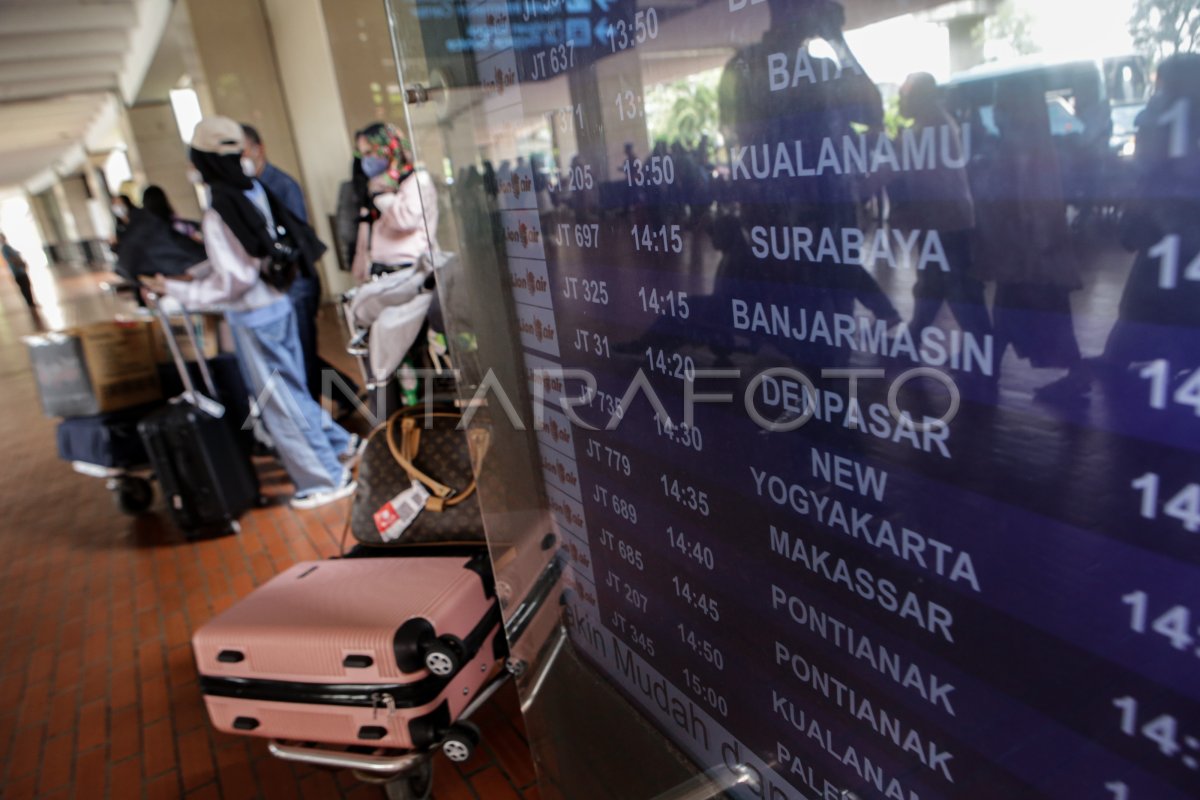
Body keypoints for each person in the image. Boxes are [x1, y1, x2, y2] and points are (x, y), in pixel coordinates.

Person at [142, 116, 358, 510]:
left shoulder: (219, 209)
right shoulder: (253, 190)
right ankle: (339, 445)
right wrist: (193, 276)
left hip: (255, 314)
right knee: (291, 389)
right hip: (278, 303)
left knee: (282, 401)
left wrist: (176, 289)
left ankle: (326, 477)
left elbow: (234, 280)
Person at [972, 76, 1086, 402]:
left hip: (1029, 258)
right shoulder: (1032, 144)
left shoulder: (1020, 149)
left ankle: (987, 376)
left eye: (999, 105)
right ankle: (989, 374)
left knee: (1014, 319)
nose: (994, 112)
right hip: (1032, 257)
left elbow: (1026, 207)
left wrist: (1030, 255)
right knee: (1031, 321)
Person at [242, 123, 360, 414]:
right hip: (281, 284)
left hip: (297, 282)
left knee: (302, 355)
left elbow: (296, 238)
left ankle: (316, 420)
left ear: (259, 149)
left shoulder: (282, 185)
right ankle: (345, 393)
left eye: (241, 150)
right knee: (299, 353)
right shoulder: (253, 189)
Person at [891, 73, 991, 342]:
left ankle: (983, 350)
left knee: (957, 288)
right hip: (943, 220)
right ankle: (916, 336)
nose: (900, 101)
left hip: (945, 221)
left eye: (904, 95)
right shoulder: (935, 123)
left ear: (919, 97)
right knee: (935, 284)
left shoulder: (930, 128)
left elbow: (904, 170)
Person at [351, 123, 440, 283]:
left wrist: (382, 195)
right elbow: (365, 234)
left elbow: (406, 220)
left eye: (370, 152)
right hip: (382, 274)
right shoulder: (373, 185)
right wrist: (361, 268)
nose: (366, 160)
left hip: (413, 273)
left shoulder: (417, 180)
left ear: (388, 148)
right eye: (363, 154)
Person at [0, 233, 35, 309]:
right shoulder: (4, 248)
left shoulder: (8, 247)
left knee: (27, 285)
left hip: (20, 270)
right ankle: (30, 303)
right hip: (17, 271)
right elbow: (11, 259)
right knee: (24, 286)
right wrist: (20, 263)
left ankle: (31, 302)